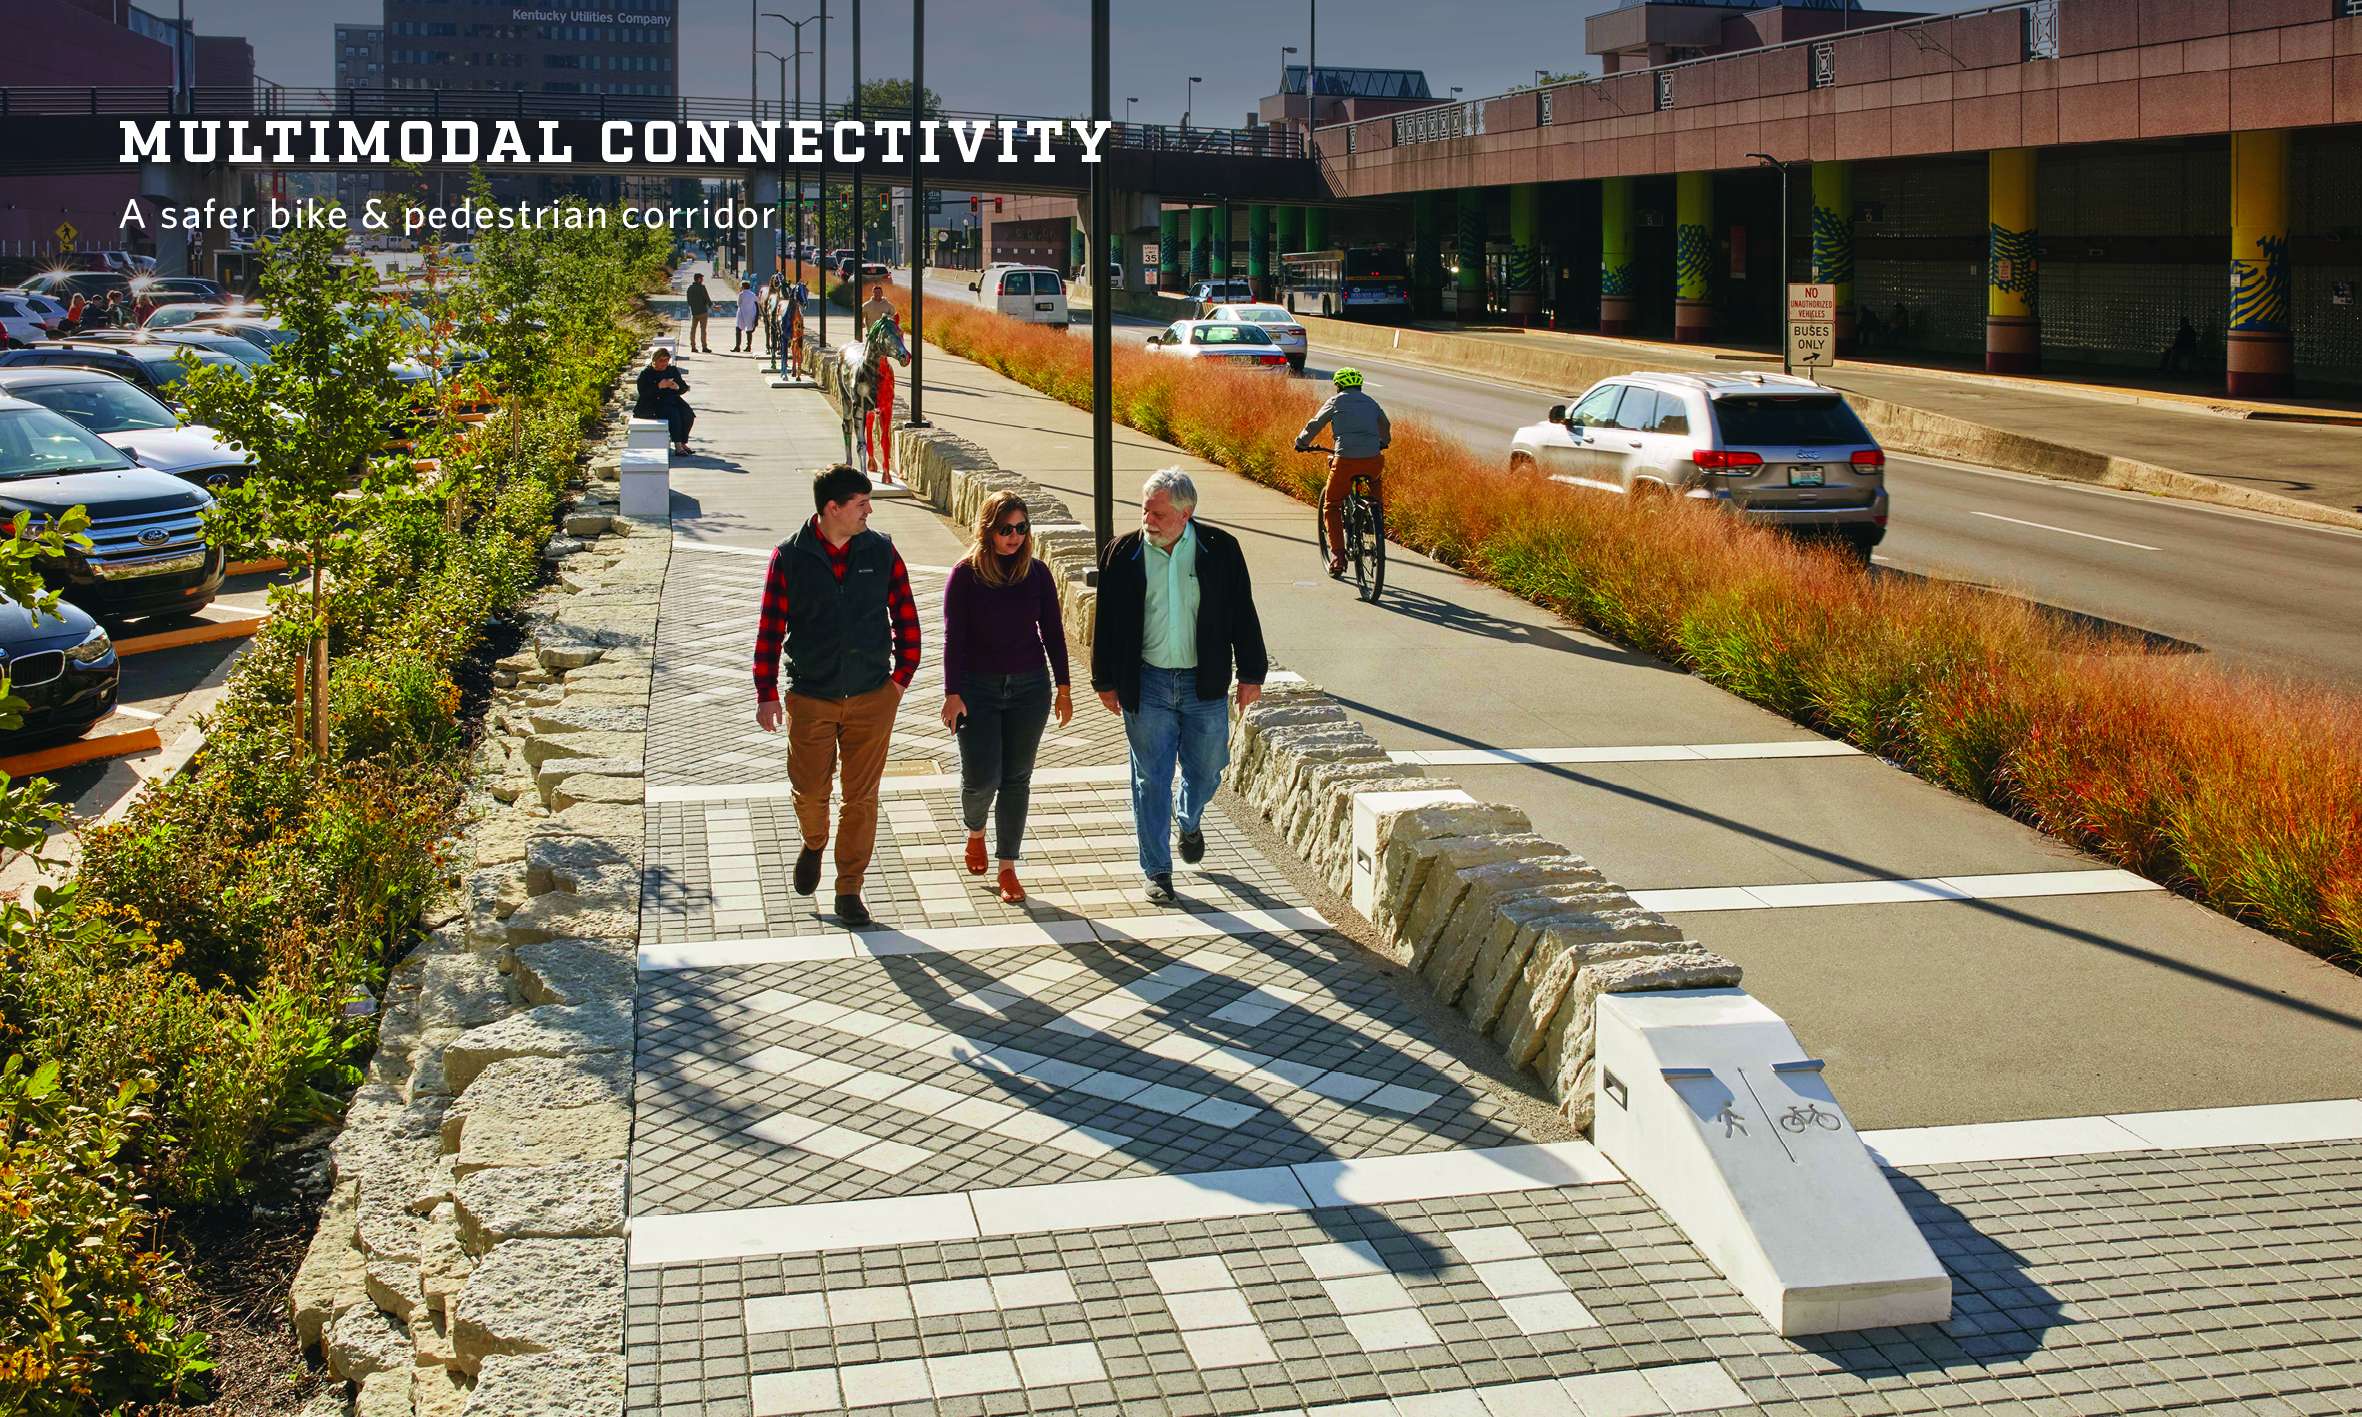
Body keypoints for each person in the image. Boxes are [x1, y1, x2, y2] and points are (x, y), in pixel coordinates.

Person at [753, 464, 922, 928]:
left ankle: (849, 888)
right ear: (833, 509)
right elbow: (769, 630)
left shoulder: (882, 551)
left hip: (873, 695)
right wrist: (766, 693)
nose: (870, 510)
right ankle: (813, 841)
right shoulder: (790, 556)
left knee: (861, 798)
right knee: (810, 792)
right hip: (810, 695)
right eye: (861, 503)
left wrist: (899, 681)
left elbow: (907, 620)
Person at [1092, 469, 1267, 905]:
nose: (1147, 518)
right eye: (1145, 509)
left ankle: (1188, 818)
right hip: (1146, 682)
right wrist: (1104, 680)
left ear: (1185, 514)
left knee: (1208, 768)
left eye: (1158, 512)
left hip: (1202, 682)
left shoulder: (1221, 550)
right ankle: (1156, 869)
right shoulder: (1123, 553)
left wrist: (1251, 673)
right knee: (1150, 778)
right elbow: (1107, 621)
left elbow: (1242, 611)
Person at [942, 491, 1072, 904]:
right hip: (977, 688)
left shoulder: (1037, 574)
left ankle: (1008, 867)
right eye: (1006, 529)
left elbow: (1052, 631)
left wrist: (1064, 687)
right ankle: (975, 830)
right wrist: (952, 693)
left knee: (1017, 779)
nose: (1014, 536)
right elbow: (953, 639)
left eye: (1021, 528)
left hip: (1030, 688)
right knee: (982, 778)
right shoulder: (964, 575)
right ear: (988, 531)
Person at [1294, 367, 1391, 578]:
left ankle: (1338, 556)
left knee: (1332, 504)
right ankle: (1376, 517)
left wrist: (1301, 442)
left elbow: (1315, 424)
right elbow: (1385, 424)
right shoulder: (1371, 402)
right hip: (1373, 460)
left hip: (1345, 459)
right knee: (1374, 479)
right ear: (1360, 385)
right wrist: (1383, 442)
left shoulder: (1335, 401)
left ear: (1339, 386)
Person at [860, 309, 910, 481]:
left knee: (885, 430)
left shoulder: (887, 310)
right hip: (874, 345)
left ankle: (886, 467)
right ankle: (871, 456)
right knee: (868, 420)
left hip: (884, 360)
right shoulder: (869, 307)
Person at [633, 347, 694, 454]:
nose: (664, 363)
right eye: (661, 361)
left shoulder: (672, 370)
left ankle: (683, 442)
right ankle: (678, 446)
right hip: (653, 403)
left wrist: (677, 387)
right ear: (654, 360)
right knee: (673, 414)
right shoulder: (646, 374)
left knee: (687, 413)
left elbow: (684, 387)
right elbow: (643, 393)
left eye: (666, 360)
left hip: (671, 398)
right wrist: (658, 386)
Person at [685, 272, 713, 353]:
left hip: (694, 312)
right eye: (702, 278)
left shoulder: (690, 288)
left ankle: (693, 347)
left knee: (693, 330)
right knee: (703, 330)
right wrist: (713, 306)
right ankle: (704, 347)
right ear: (699, 279)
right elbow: (707, 299)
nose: (703, 280)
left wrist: (693, 307)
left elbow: (689, 301)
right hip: (703, 312)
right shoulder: (702, 288)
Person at [732, 279, 761, 353]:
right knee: (749, 331)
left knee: (738, 329)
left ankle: (737, 346)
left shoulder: (741, 294)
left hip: (742, 313)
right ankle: (748, 346)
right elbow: (757, 301)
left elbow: (738, 304)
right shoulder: (752, 294)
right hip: (751, 314)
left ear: (743, 287)